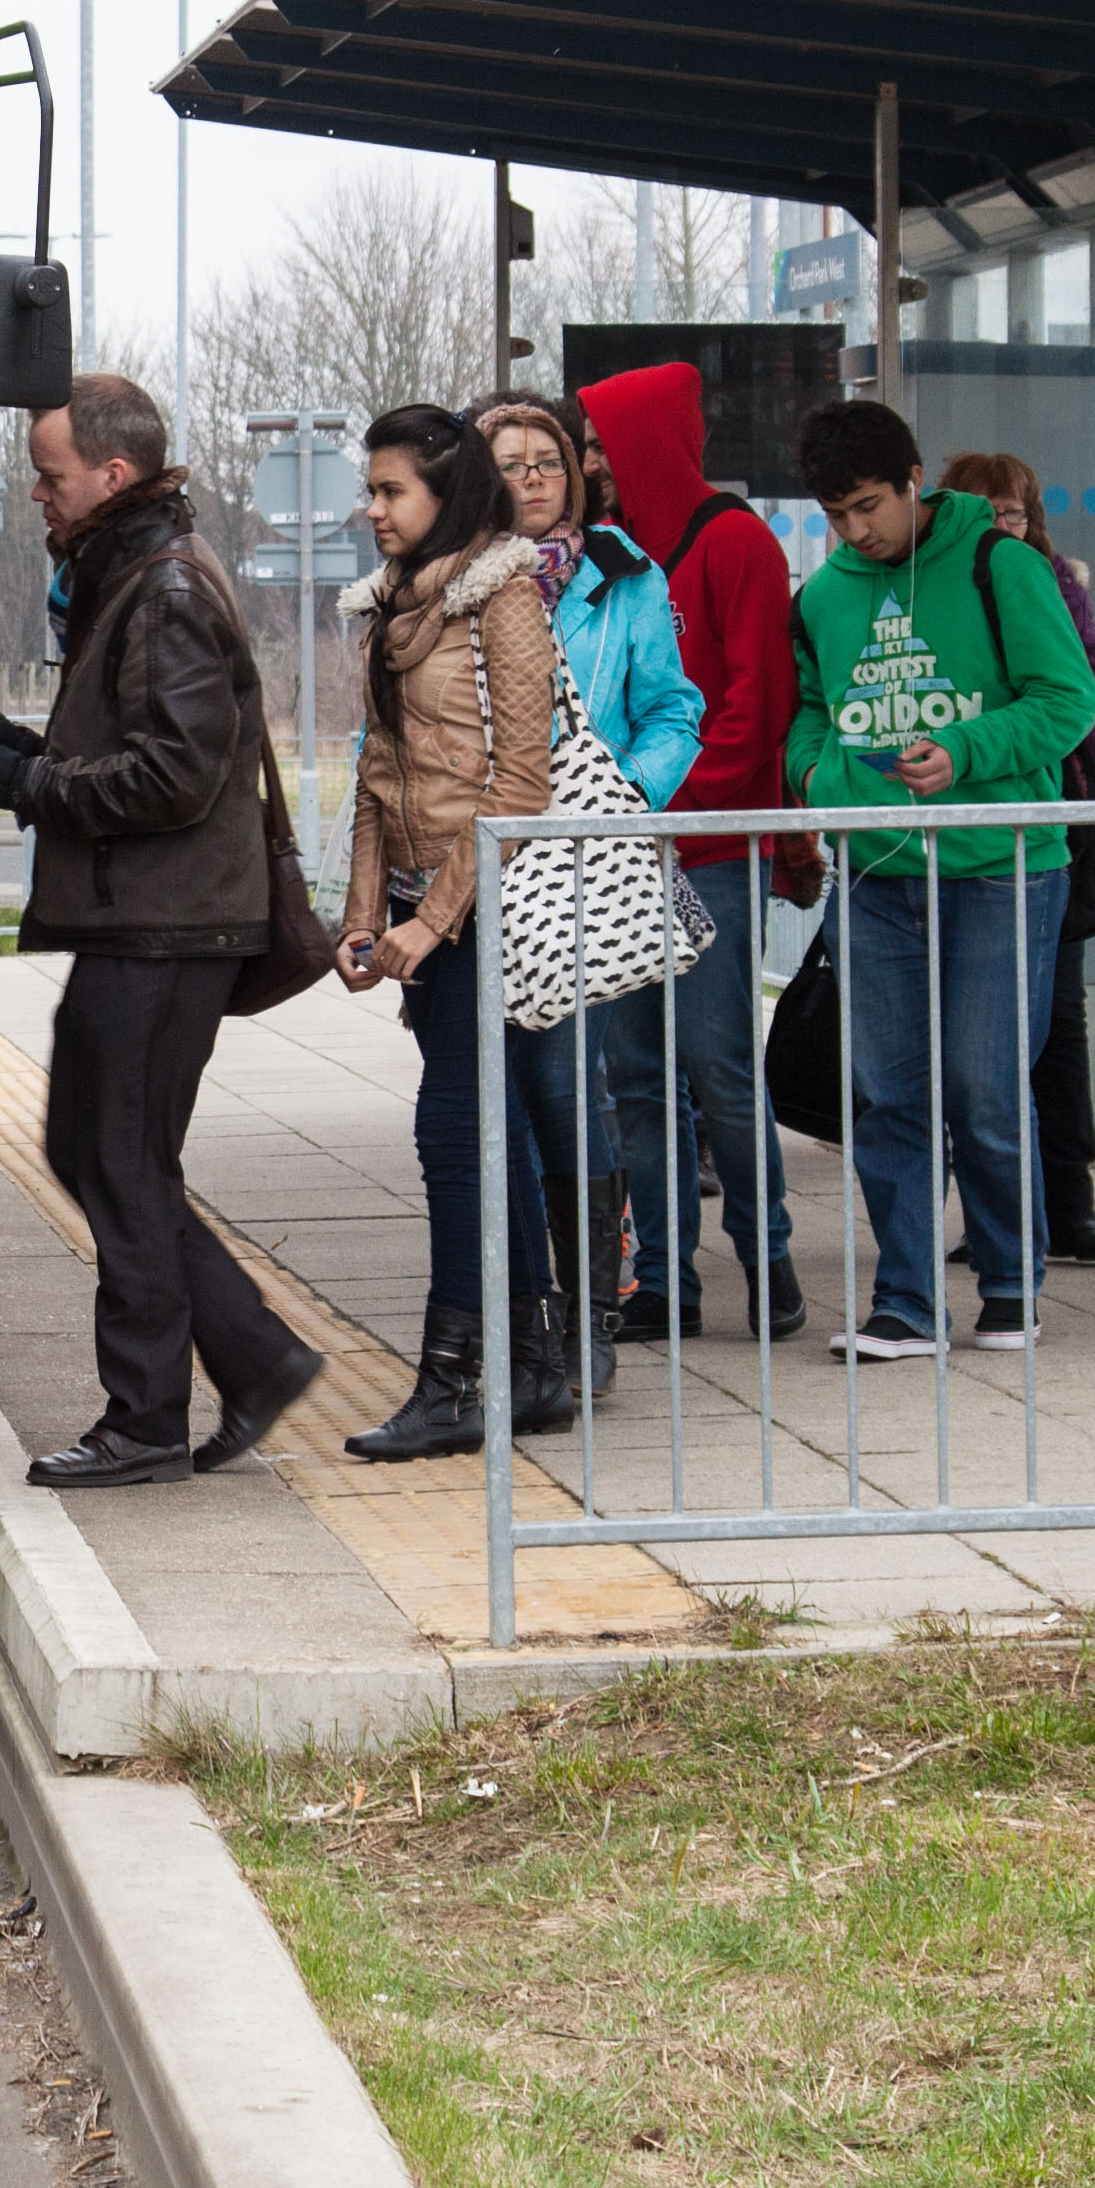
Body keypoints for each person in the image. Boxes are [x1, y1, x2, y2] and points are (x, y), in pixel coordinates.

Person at [0, 375, 325, 1491]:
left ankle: (151, 1416)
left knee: (116, 1158)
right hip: (148, 921)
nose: (38, 497)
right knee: (99, 1151)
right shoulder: (131, 578)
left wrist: (23, 780)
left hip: (167, 926)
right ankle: (253, 1361)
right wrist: (18, 749)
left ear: (113, 475)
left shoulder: (161, 589)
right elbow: (146, 743)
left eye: (51, 476)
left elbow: (174, 774)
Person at [783, 400, 1095, 1360]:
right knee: (886, 1093)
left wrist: (962, 752)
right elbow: (807, 719)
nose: (855, 532)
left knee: (985, 1088)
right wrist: (824, 783)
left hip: (1001, 871)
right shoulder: (824, 597)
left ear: (916, 480)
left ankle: (1009, 1282)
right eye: (836, 516)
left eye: (869, 507)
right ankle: (907, 1301)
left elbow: (1069, 702)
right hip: (875, 877)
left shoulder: (1001, 565)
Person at [333, 404, 565, 1462]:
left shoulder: (502, 597)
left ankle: (455, 1383)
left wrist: (432, 919)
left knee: (452, 1132)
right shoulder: (394, 606)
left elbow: (520, 785)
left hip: (488, 907)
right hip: (426, 909)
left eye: (392, 491)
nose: (372, 509)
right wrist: (361, 920)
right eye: (372, 489)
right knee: (483, 1132)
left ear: (446, 494)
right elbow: (381, 779)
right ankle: (536, 1365)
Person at [577, 362, 806, 1342]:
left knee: (716, 1065)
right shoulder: (610, 560)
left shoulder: (736, 544)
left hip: (706, 848)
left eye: (599, 446)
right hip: (626, 850)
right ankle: (666, 1280)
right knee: (636, 1075)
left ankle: (770, 1260)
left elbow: (757, 710)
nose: (588, 465)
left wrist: (658, 801)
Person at [477, 394, 700, 1340]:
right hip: (473, 863)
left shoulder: (624, 574)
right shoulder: (444, 576)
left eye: (548, 463)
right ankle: (508, 1296)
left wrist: (621, 797)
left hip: (579, 869)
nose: (532, 480)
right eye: (510, 463)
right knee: (484, 1091)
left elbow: (673, 710)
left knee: (570, 1085)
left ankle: (588, 1312)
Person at [939, 452, 1095, 1268]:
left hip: (1050, 835)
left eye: (1010, 515)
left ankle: (1068, 1202)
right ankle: (992, 1218)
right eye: (979, 514)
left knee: (1056, 1024)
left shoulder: (1058, 590)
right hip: (955, 837)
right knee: (969, 1035)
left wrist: (1028, 707)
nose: (996, 530)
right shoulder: (933, 593)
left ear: (1031, 520)